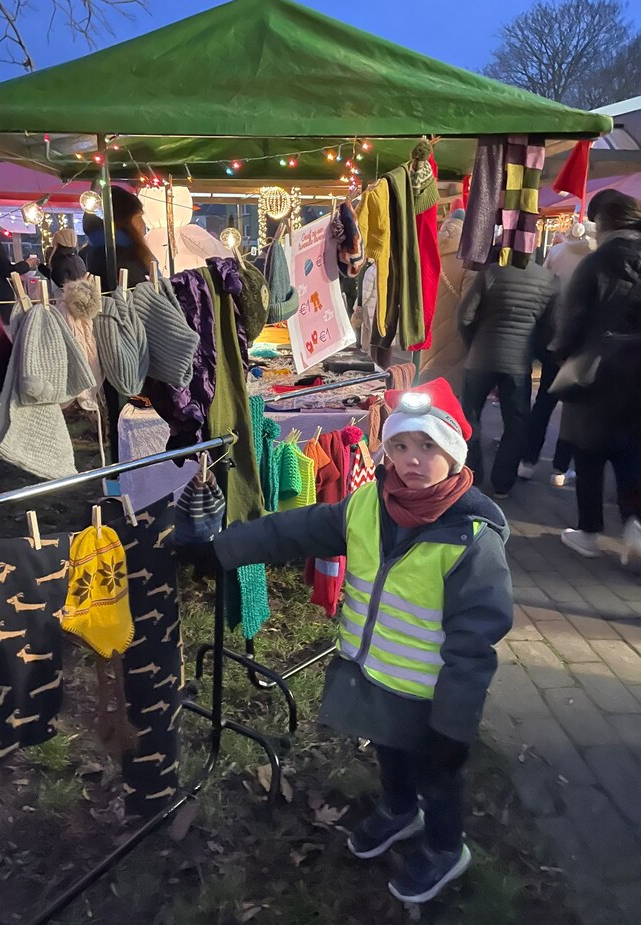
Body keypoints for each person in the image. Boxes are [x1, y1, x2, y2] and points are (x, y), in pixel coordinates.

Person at [180, 378, 513, 905]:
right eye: (401, 445)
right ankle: (400, 811)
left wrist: (456, 725)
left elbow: (475, 647)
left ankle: (447, 847)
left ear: (453, 456)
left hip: (433, 696)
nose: (411, 460)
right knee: (389, 752)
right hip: (374, 671)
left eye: (428, 447)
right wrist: (222, 550)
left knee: (438, 773)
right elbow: (293, 530)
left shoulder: (471, 543)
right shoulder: (368, 505)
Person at [551, 190, 641, 561]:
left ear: (602, 222)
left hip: (595, 371)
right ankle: (635, 524)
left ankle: (589, 533)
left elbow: (570, 319)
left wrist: (560, 355)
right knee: (632, 452)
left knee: (588, 451)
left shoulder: (596, 263)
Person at [457, 258, 558, 498]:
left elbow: (464, 316)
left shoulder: (489, 273)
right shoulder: (550, 281)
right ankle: (503, 482)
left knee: (469, 416)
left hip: (480, 357)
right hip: (518, 363)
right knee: (516, 423)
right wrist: (533, 352)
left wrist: (473, 344)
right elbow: (550, 328)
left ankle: (472, 473)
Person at [518, 221, 596, 487]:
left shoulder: (557, 252)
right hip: (583, 343)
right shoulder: (597, 258)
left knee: (544, 402)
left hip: (553, 336)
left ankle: (527, 461)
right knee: (573, 409)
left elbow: (547, 286)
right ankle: (560, 469)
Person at [420, 210, 474, 394]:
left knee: (426, 383)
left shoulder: (425, 253)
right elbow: (470, 307)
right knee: (449, 392)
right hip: (455, 334)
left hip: (425, 331)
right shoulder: (469, 262)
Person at [83, 186, 158, 291]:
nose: (143, 223)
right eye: (138, 217)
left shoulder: (95, 250)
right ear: (123, 221)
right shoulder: (123, 258)